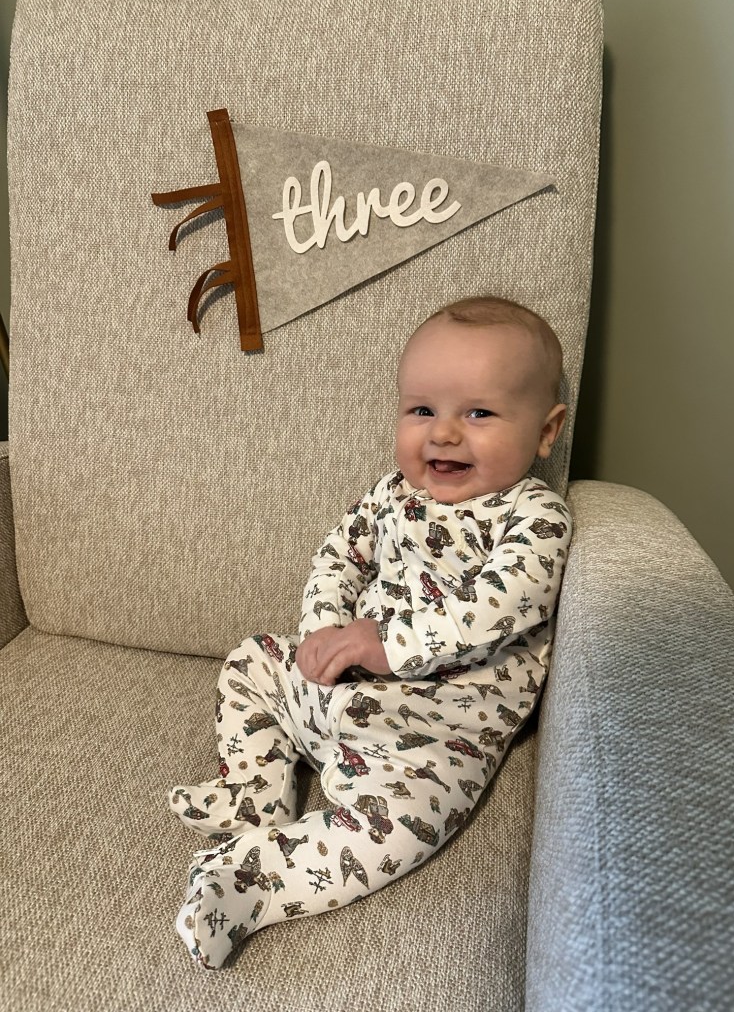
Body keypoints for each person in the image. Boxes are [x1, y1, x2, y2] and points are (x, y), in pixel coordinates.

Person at [169, 295, 572, 968]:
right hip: (329, 688)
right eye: (422, 410)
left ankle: (254, 878)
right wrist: (323, 631)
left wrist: (380, 645)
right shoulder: (390, 495)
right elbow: (338, 555)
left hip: (429, 739)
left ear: (546, 431)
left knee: (389, 835)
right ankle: (255, 792)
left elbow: (497, 609)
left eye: (478, 413)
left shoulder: (534, 516)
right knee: (252, 661)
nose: (443, 433)